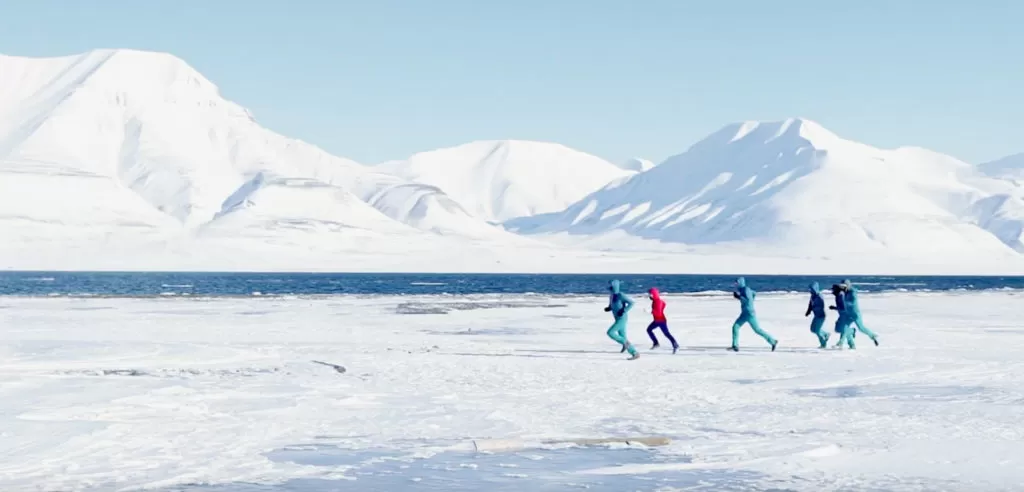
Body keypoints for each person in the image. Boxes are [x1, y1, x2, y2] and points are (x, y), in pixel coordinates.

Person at [729, 277, 778, 352]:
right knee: (735, 327)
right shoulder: (743, 290)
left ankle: (773, 341)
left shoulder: (746, 289)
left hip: (750, 313)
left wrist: (739, 297)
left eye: (737, 283)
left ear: (740, 283)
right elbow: (754, 293)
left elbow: (747, 299)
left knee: (757, 330)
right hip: (744, 313)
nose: (735, 284)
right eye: (735, 283)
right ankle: (735, 346)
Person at [604, 279, 640, 360]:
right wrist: (608, 308)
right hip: (617, 318)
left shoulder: (621, 295)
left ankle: (634, 351)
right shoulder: (611, 296)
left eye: (612, 287)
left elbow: (631, 303)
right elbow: (612, 305)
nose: (610, 289)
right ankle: (627, 347)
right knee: (622, 336)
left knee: (610, 332)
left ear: (615, 287)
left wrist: (624, 310)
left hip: (622, 318)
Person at [840, 279, 879, 346]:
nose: (842, 288)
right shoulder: (845, 293)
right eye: (841, 286)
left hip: (855, 314)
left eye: (844, 286)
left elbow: (853, 303)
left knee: (861, 328)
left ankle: (873, 336)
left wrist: (845, 303)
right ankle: (841, 343)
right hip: (848, 314)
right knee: (844, 327)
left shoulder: (853, 292)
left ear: (848, 285)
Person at [645, 287, 679, 353]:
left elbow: (658, 312)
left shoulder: (658, 301)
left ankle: (675, 345)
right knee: (649, 330)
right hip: (657, 320)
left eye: (650, 295)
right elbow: (664, 304)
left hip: (661, 320)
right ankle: (656, 343)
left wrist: (650, 311)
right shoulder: (656, 301)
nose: (649, 296)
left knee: (666, 334)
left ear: (654, 294)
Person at [829, 283, 855, 349]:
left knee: (842, 329)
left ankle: (851, 332)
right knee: (839, 328)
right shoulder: (839, 295)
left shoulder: (841, 295)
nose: (832, 291)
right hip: (842, 314)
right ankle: (852, 345)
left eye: (833, 290)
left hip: (846, 314)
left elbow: (843, 307)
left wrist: (834, 308)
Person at [805, 282, 829, 348]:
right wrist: (808, 311)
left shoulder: (819, 296)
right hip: (816, 315)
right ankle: (826, 334)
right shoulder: (812, 296)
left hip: (821, 316)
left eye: (811, 289)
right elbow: (810, 304)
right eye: (810, 289)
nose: (810, 291)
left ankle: (823, 343)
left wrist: (817, 308)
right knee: (813, 329)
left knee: (817, 330)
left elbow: (822, 305)